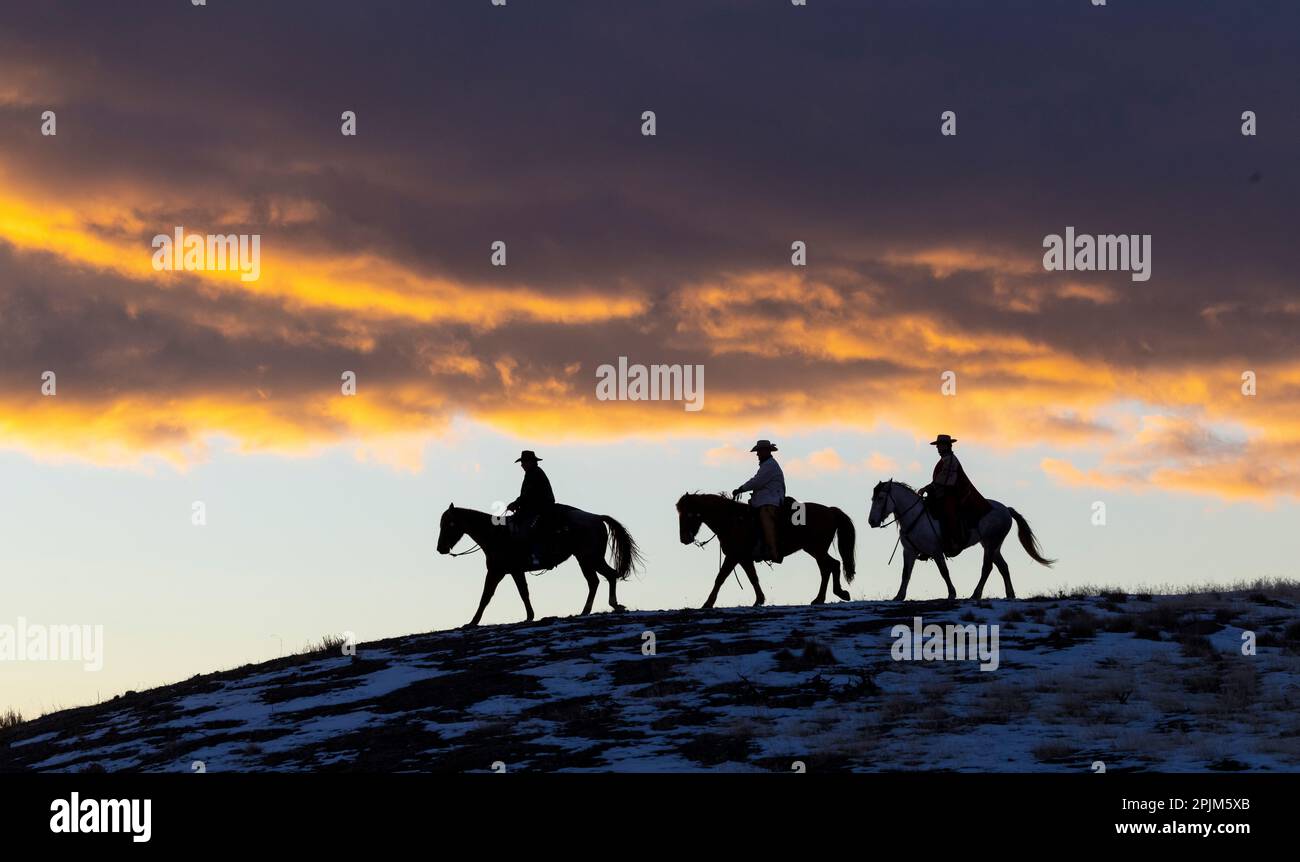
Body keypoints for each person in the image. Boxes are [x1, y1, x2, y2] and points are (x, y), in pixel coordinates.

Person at [919, 434, 990, 556]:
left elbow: (944, 480)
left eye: (940, 445)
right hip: (942, 493)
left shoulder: (951, 460)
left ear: (947, 446)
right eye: (938, 446)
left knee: (948, 513)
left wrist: (928, 488)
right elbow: (939, 480)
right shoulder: (944, 460)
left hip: (954, 494)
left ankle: (954, 541)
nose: (938, 448)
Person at [732, 439, 786, 563]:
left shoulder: (769, 465)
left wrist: (742, 488)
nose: (757, 454)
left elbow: (757, 481)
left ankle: (773, 551)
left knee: (764, 515)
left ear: (766, 451)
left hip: (770, 499)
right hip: (765, 498)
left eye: (759, 451)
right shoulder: (767, 465)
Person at [506, 450, 555, 566]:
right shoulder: (533, 472)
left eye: (523, 462)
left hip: (541, 507)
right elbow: (528, 495)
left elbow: (529, 493)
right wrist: (518, 504)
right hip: (536, 506)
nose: (522, 465)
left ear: (530, 462)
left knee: (527, 528)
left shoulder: (534, 473)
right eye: (522, 463)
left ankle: (536, 557)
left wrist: (516, 503)